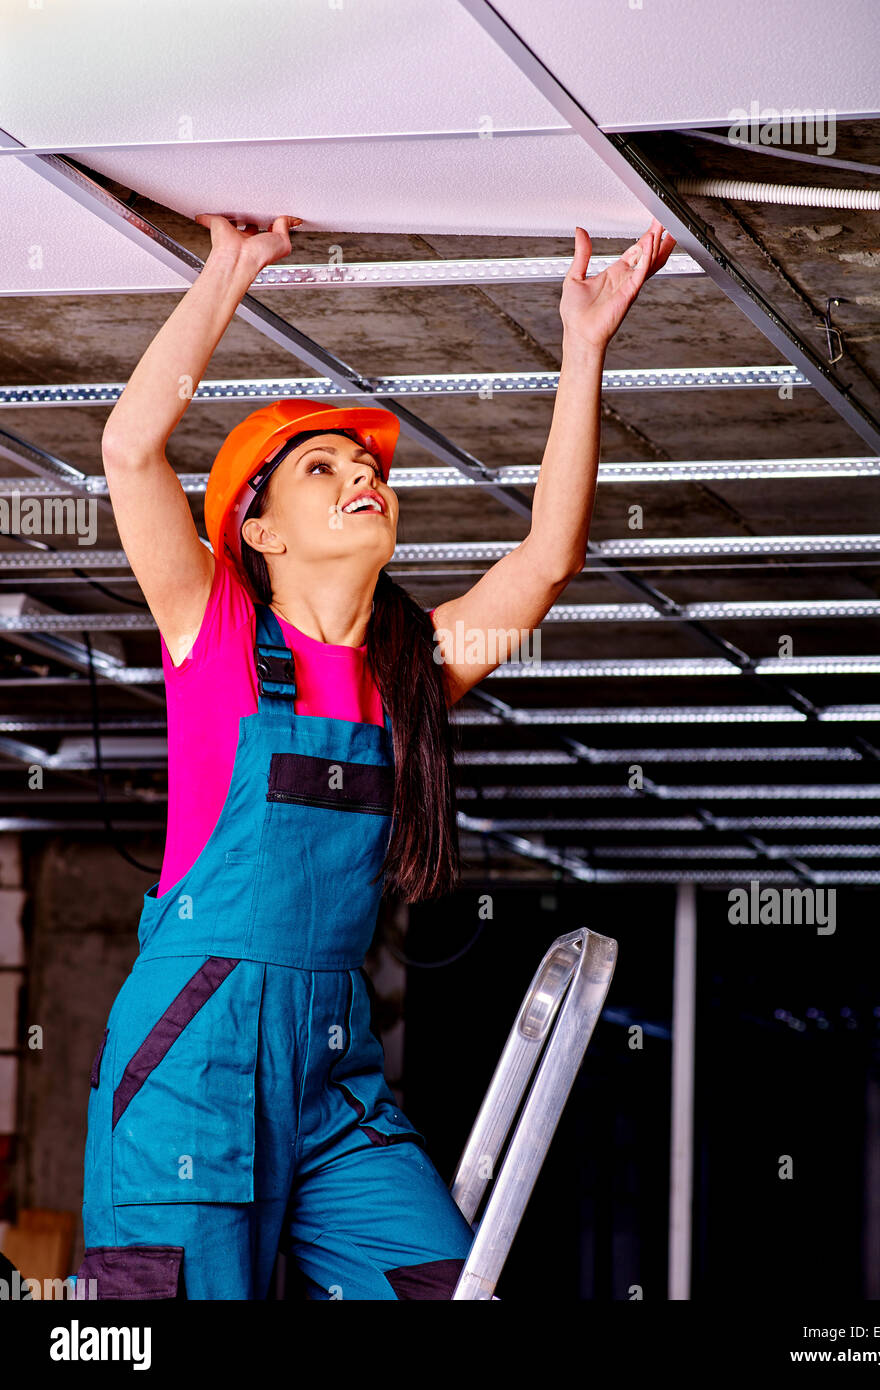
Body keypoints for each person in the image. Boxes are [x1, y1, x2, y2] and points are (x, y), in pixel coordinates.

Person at [71, 211, 677, 1300]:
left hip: (334, 1073)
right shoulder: (211, 636)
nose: (363, 474)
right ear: (260, 532)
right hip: (196, 1069)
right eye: (323, 466)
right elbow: (128, 447)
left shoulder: (410, 677)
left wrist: (582, 349)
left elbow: (547, 558)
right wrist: (232, 268)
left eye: (366, 463)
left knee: (446, 1285)